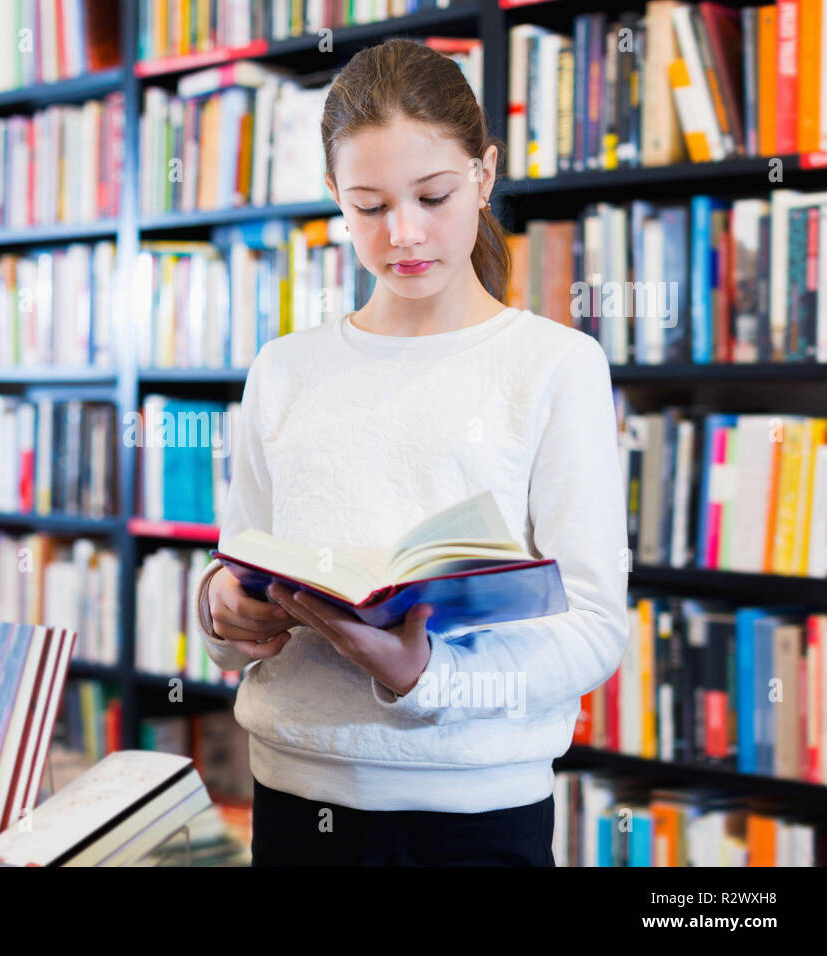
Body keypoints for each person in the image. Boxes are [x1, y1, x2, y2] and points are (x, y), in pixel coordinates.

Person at [193, 37, 629, 866]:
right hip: (293, 800)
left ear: (484, 174)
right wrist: (220, 610)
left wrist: (421, 676)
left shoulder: (554, 366)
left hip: (473, 817)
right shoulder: (284, 368)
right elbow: (240, 564)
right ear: (334, 198)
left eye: (433, 195)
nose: (404, 234)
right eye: (368, 205)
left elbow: (595, 627)